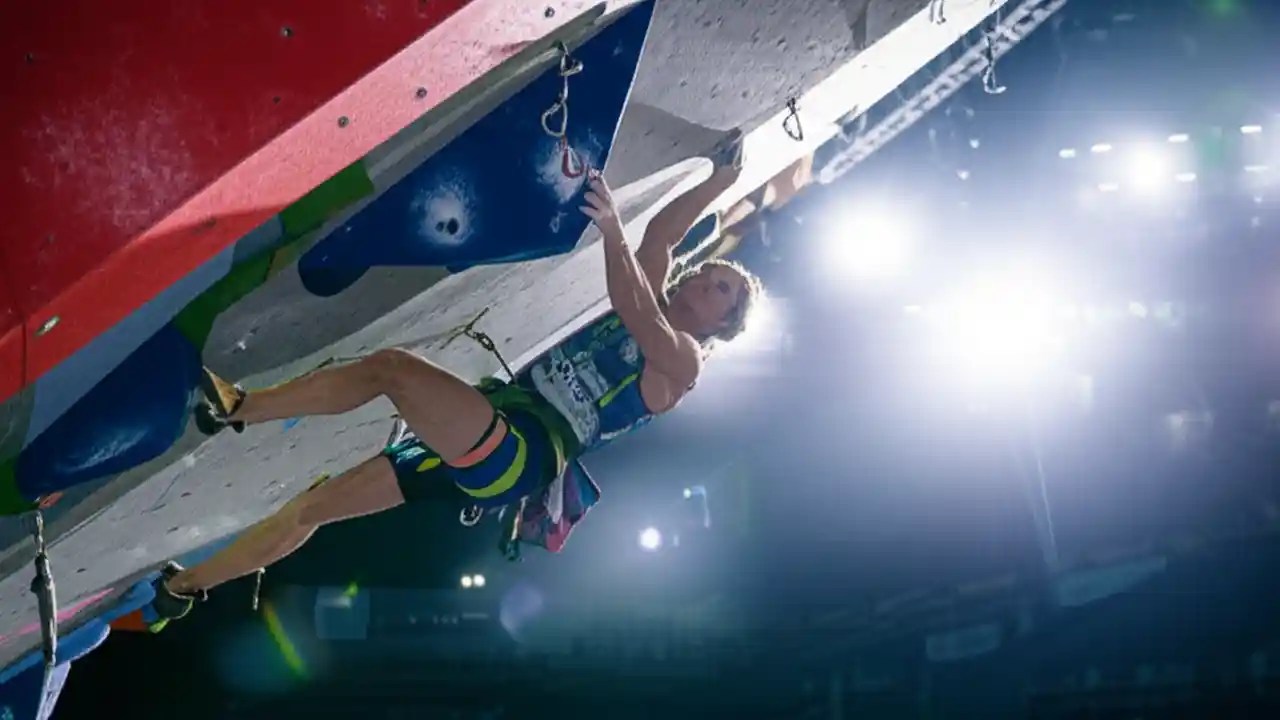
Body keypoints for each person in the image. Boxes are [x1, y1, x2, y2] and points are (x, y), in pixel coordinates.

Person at [141, 131, 763, 628]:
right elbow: (664, 236)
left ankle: (242, 407)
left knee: (393, 370)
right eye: (718, 274)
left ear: (723, 323)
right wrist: (719, 180)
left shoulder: (684, 362)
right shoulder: (652, 289)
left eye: (725, 291)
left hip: (522, 453)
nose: (713, 278)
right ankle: (183, 589)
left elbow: (635, 309)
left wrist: (609, 232)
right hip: (496, 424)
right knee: (311, 508)